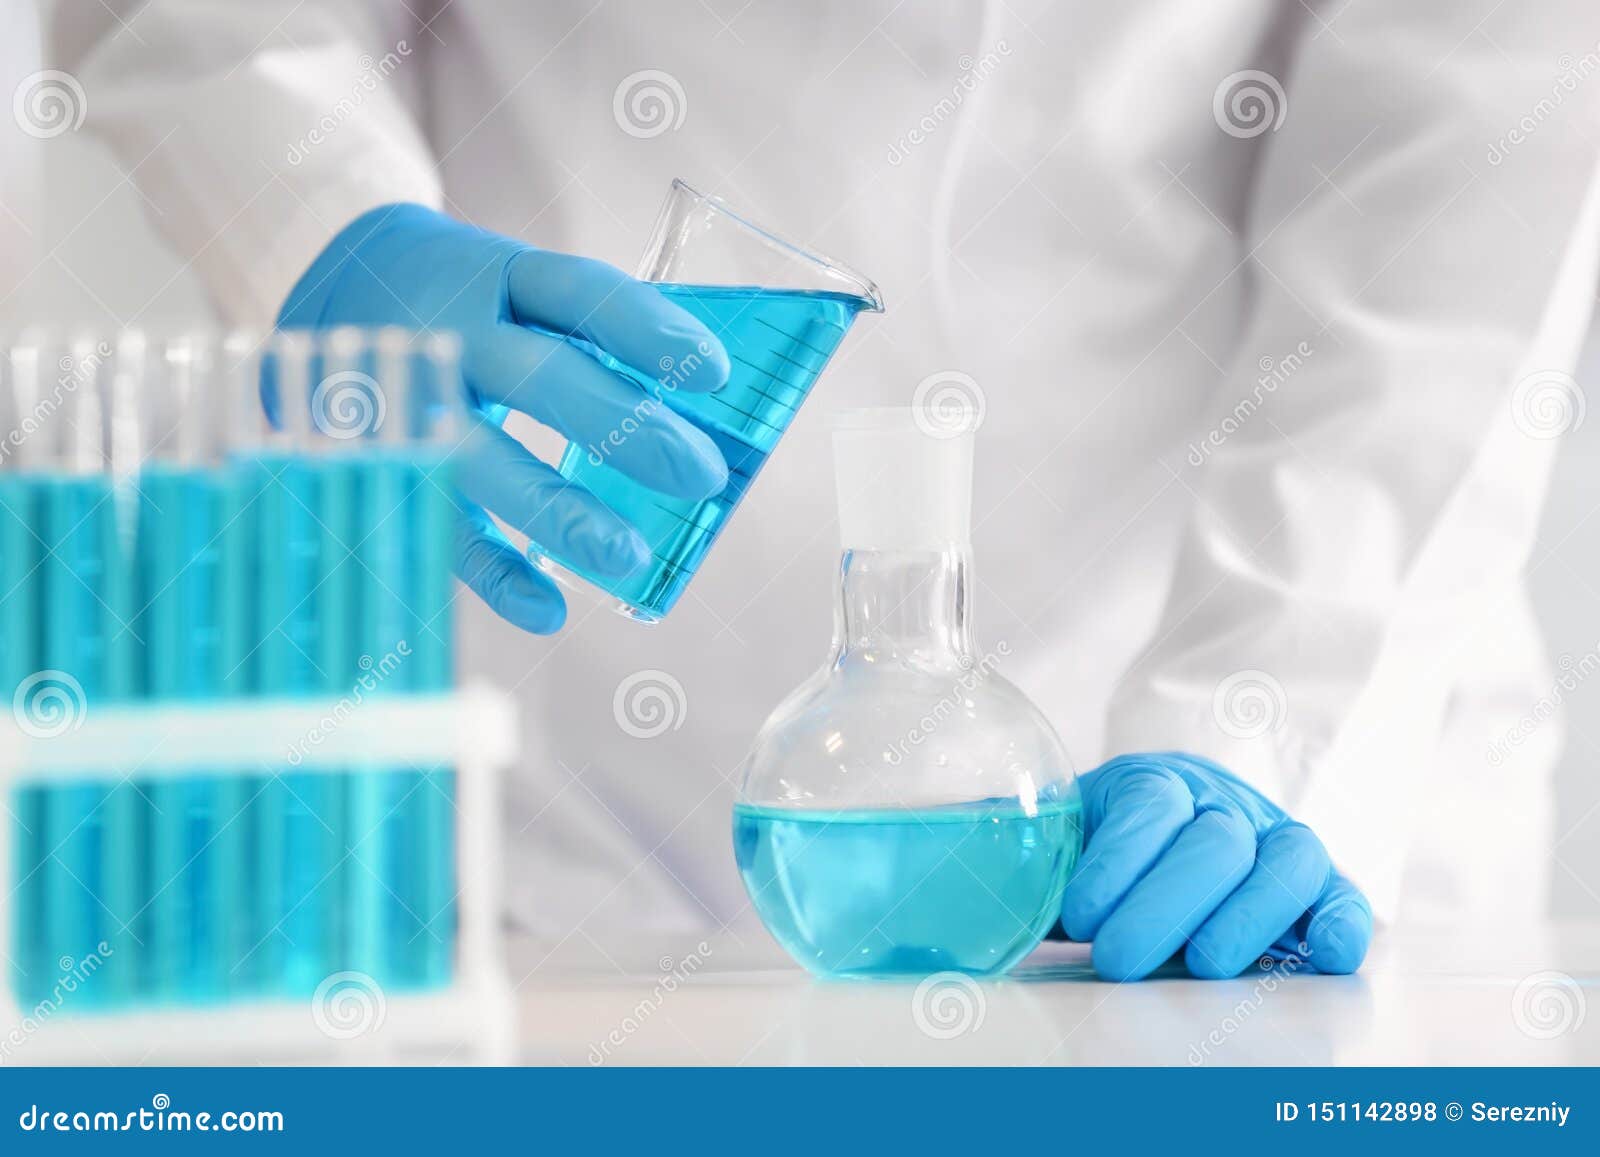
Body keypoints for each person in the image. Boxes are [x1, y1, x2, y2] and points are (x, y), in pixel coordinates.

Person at [45, 0, 1600, 979]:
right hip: (561, 726)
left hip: (1202, 689)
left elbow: (1467, 183)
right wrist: (318, 221)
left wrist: (1259, 725)